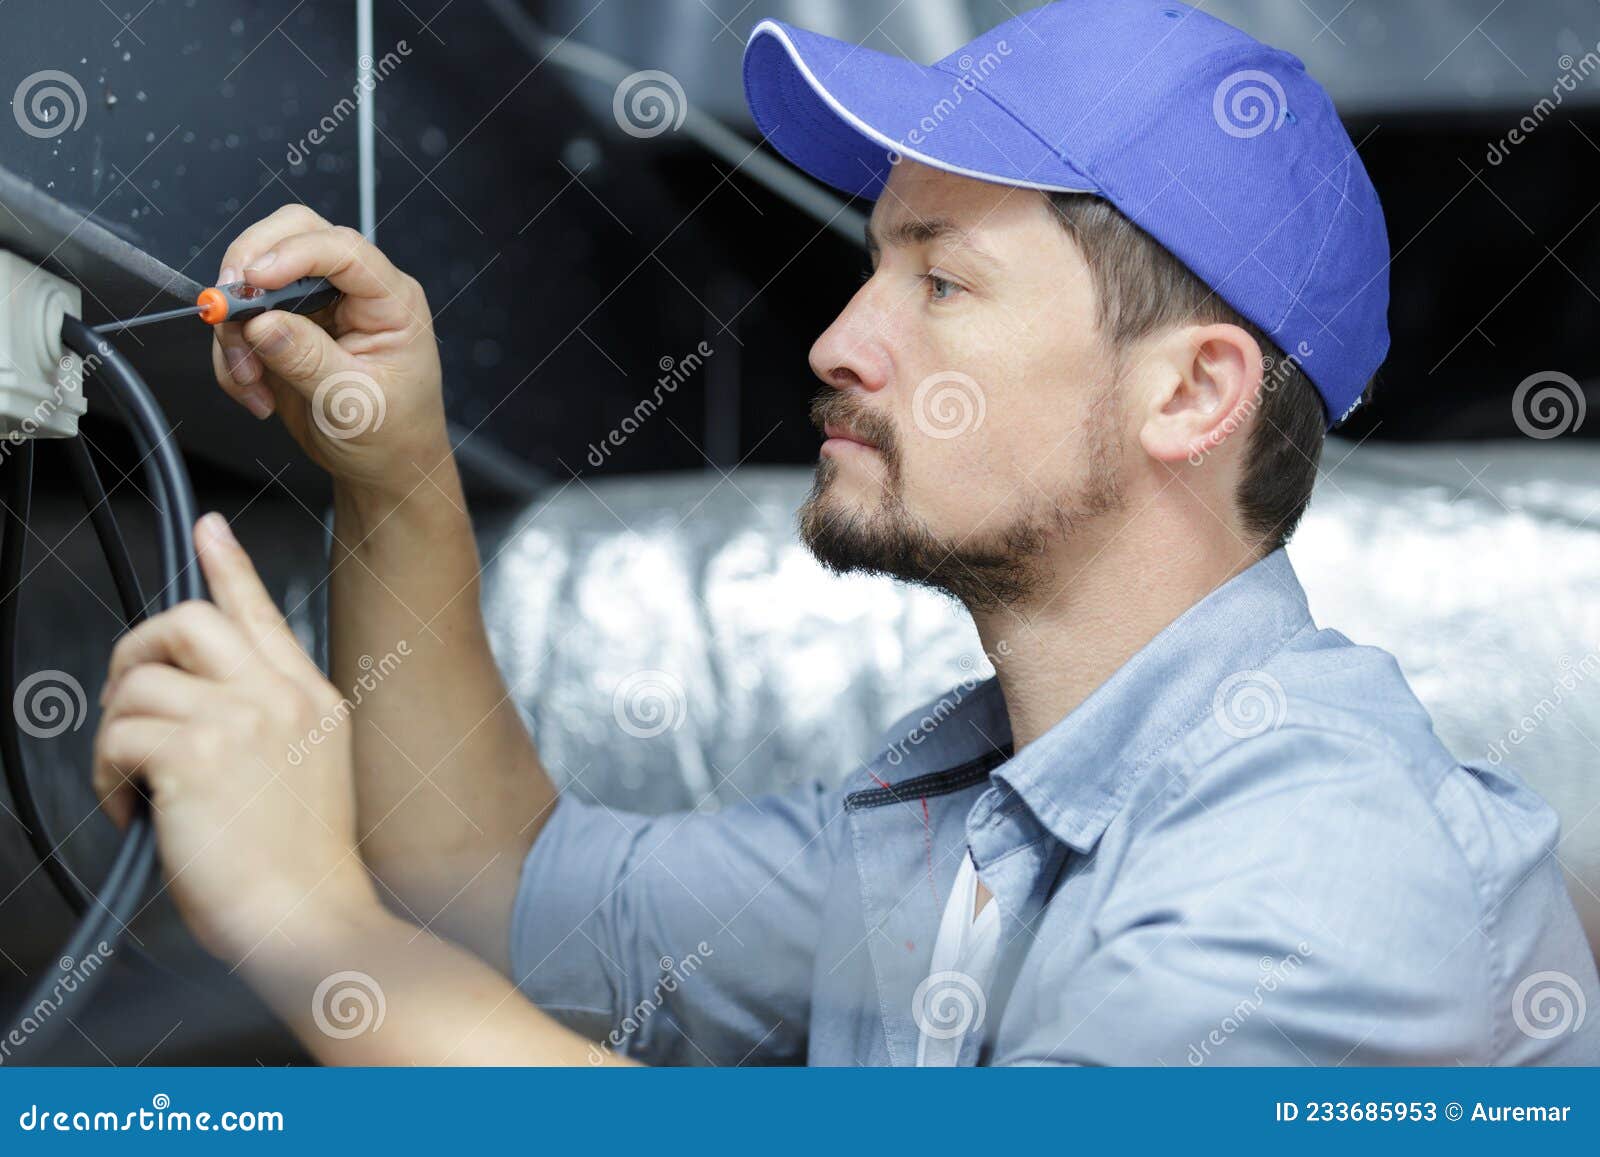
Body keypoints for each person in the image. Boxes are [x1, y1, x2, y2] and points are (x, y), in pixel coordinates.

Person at [92, 0, 1599, 1065]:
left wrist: (311, 928)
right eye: (875, 265)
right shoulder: (966, 821)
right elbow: (490, 895)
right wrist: (399, 475)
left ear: (1191, 391)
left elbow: (398, 931)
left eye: (939, 283)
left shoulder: (1320, 882)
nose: (838, 340)